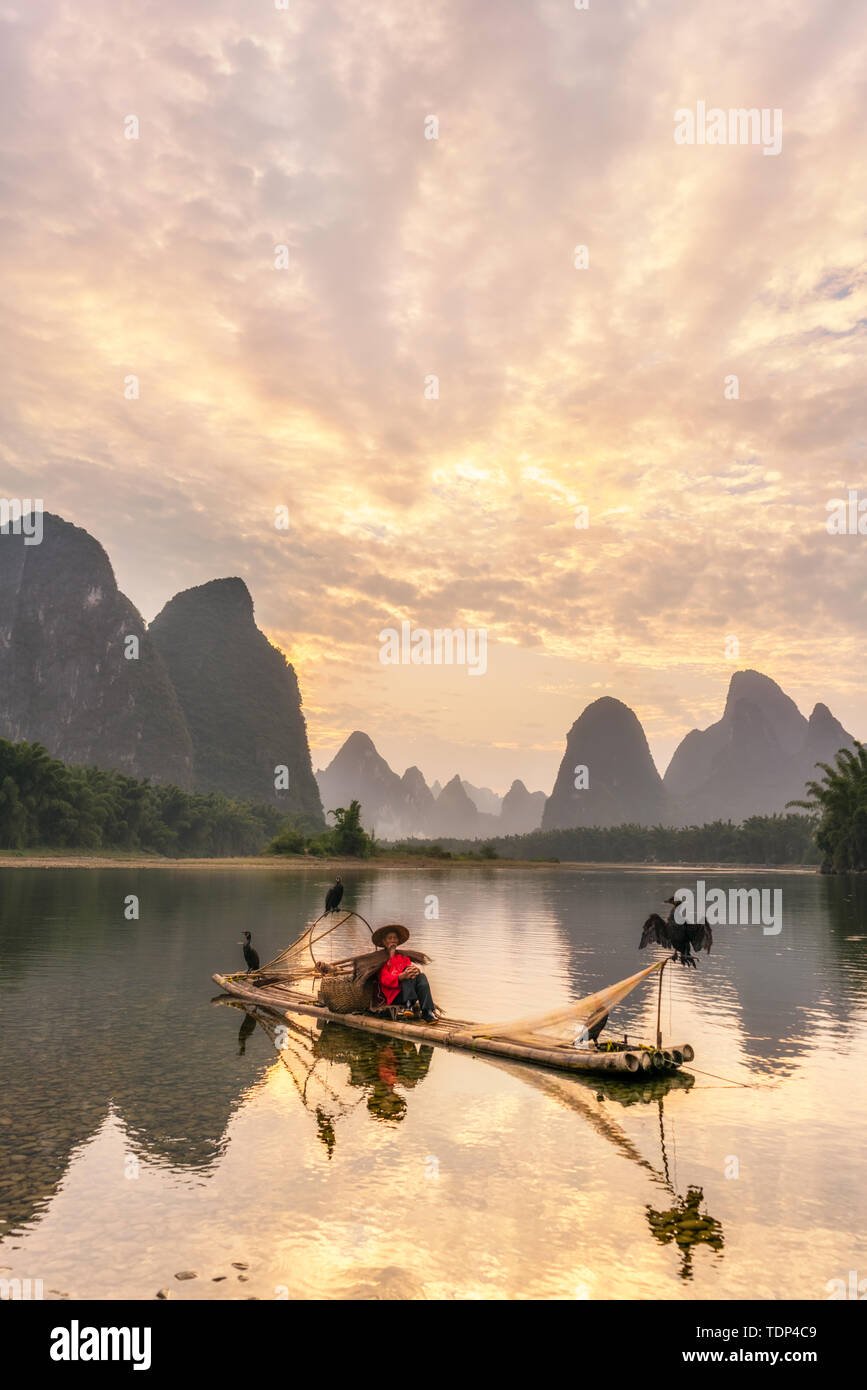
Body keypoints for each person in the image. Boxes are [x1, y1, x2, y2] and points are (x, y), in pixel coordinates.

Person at [371, 924, 437, 1023]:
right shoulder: (380, 960)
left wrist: (416, 971)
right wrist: (401, 976)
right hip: (394, 996)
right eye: (390, 938)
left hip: (409, 993)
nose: (393, 940)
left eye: (395, 938)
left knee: (420, 975)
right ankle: (408, 1004)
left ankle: (427, 1011)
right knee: (407, 971)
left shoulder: (404, 958)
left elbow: (411, 974)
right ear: (384, 942)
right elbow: (384, 980)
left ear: (398, 941)